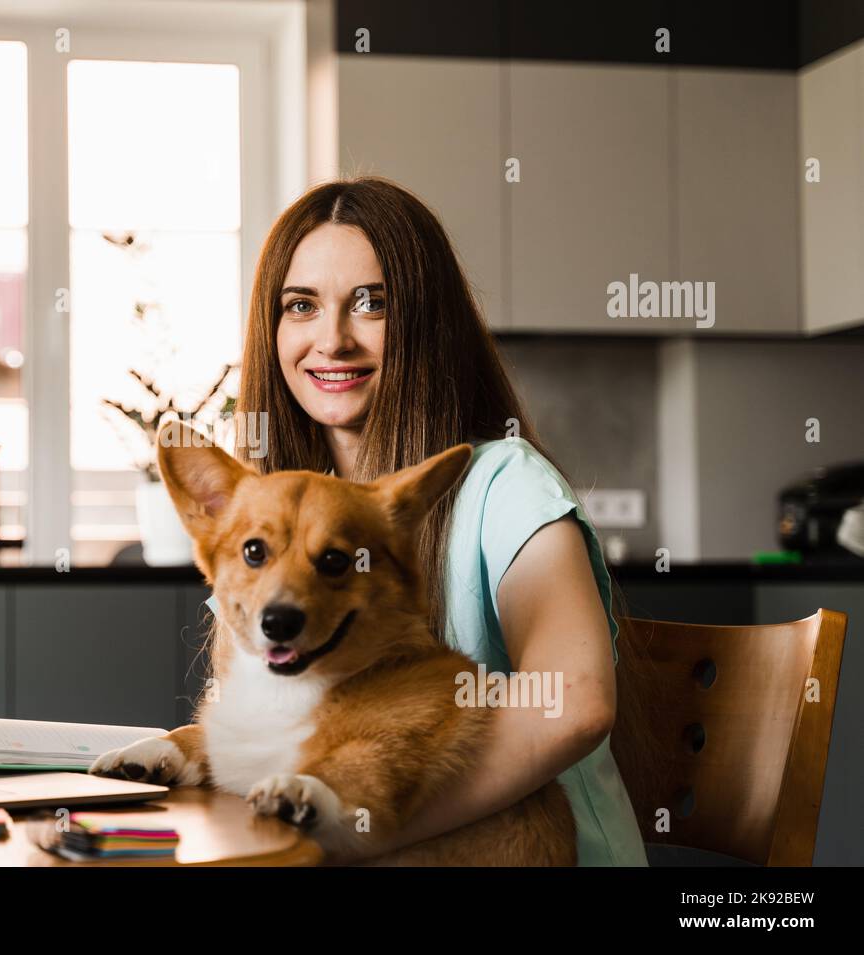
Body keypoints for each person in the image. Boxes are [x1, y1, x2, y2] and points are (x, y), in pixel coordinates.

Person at [207, 175, 648, 866]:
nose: (333, 338)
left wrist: (354, 826)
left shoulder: (506, 483)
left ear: (425, 322)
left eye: (371, 304)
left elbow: (578, 702)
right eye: (301, 306)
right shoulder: (271, 518)